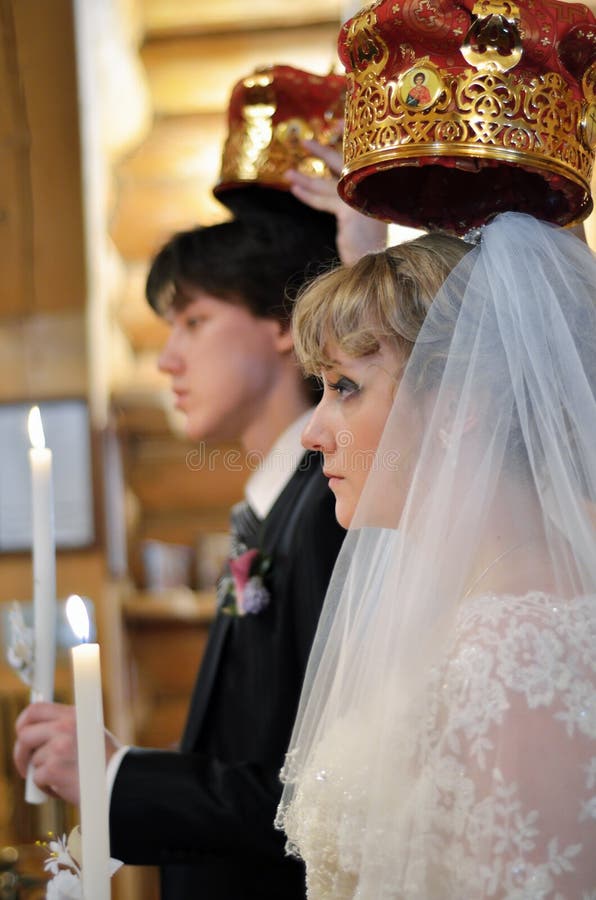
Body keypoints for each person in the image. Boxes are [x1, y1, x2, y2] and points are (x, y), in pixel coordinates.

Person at [13, 210, 348, 900]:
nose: (167, 358)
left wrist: (119, 776)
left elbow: (326, 792)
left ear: (284, 323)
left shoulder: (326, 509)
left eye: (193, 322)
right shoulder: (272, 509)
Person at [275, 212, 596, 897]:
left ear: (459, 405)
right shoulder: (455, 605)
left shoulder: (516, 650)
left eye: (345, 388)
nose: (312, 432)